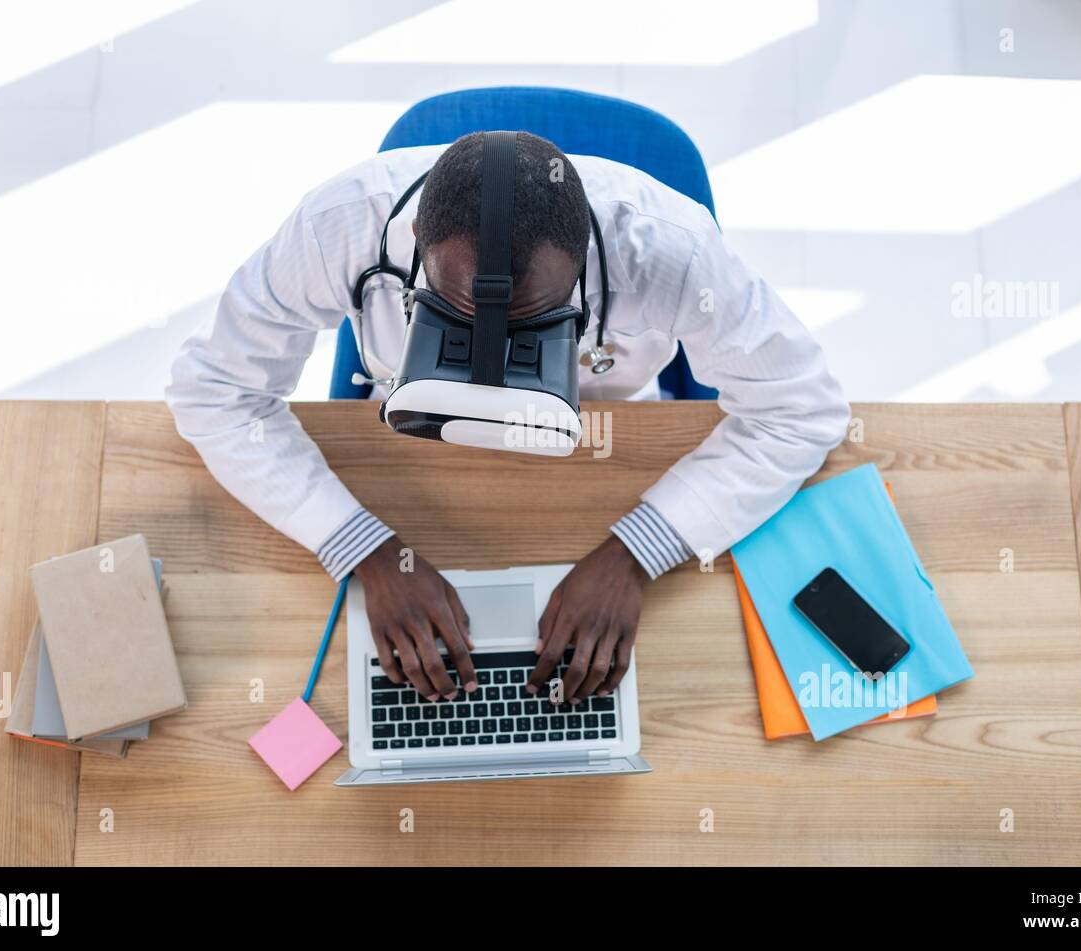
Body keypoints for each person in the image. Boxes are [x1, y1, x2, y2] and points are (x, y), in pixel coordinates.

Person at [167, 131, 849, 708]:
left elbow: (802, 410)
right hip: (404, 460)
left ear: (586, 258)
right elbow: (215, 391)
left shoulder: (670, 249)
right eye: (454, 323)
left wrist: (639, 549)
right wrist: (361, 548)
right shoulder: (341, 224)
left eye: (535, 328)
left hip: (602, 453)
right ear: (412, 245)